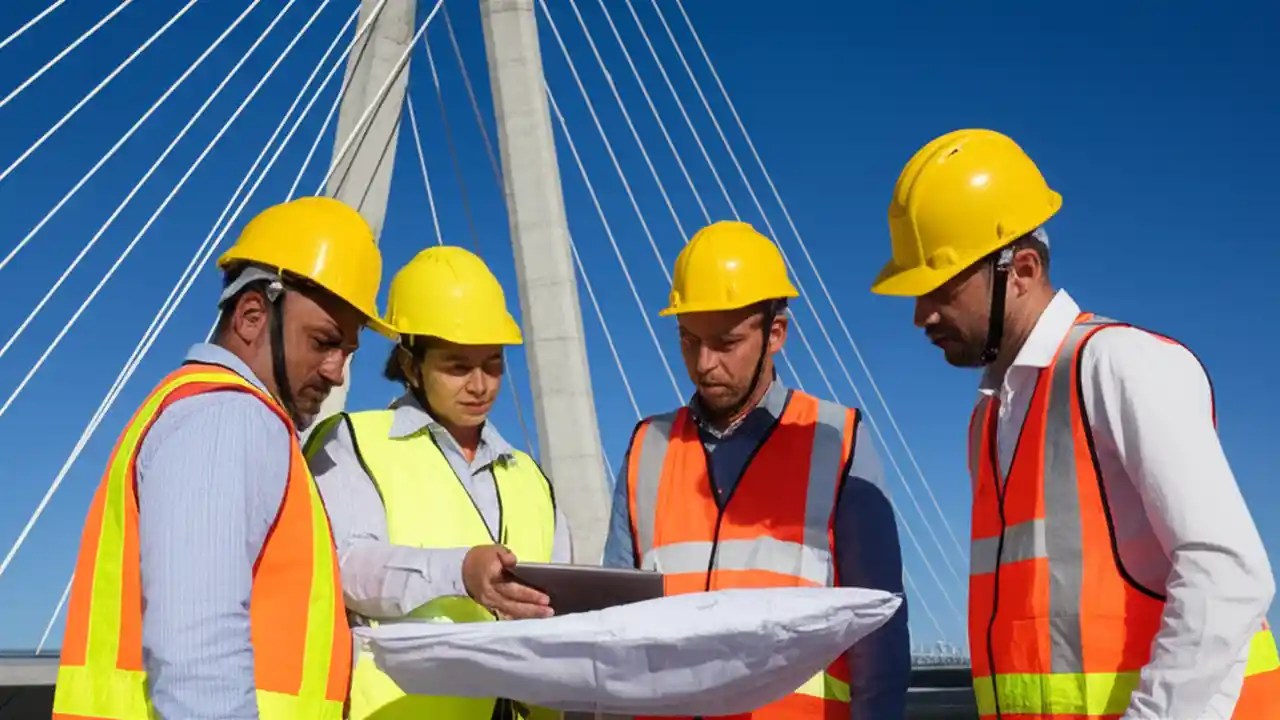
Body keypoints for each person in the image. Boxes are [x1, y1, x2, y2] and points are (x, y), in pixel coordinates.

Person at [869, 127, 1279, 718]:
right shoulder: (989, 418)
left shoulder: (1119, 364)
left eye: (939, 285)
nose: (920, 315)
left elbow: (1228, 573)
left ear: (1024, 269)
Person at [51, 196, 394, 719]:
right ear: (253, 316)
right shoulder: (227, 418)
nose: (337, 372)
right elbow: (198, 655)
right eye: (324, 342)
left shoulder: (206, 412)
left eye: (348, 352)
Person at [603, 221, 911, 719]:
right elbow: (611, 628)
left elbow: (880, 634)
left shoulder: (837, 439)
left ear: (776, 334)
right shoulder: (646, 448)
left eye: (726, 342)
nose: (704, 363)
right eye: (688, 340)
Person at [306, 245, 570, 720]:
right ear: (410, 365)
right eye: (457, 365)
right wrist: (460, 573)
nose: (480, 385)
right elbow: (345, 568)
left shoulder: (532, 479)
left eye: (492, 364)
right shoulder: (353, 442)